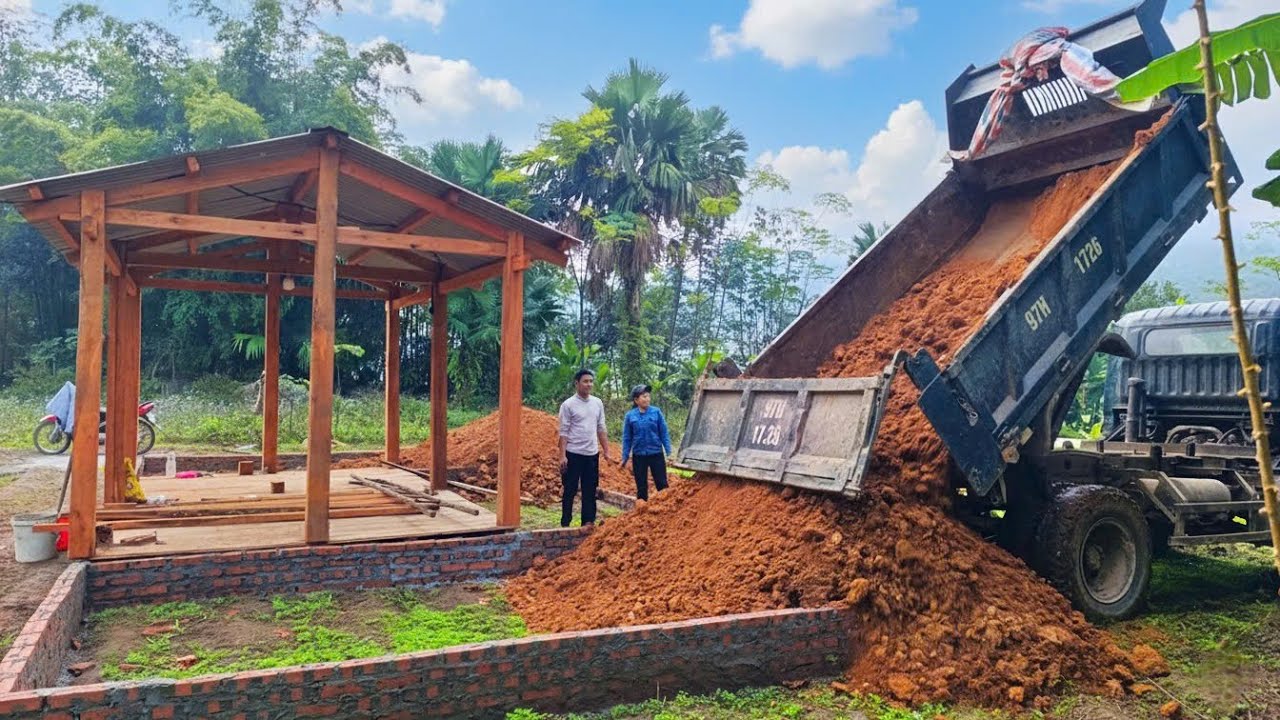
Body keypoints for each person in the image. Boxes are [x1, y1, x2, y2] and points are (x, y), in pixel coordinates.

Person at [558, 369, 610, 527]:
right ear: (577, 383)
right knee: (570, 490)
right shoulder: (568, 405)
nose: (589, 384)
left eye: (591, 381)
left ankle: (588, 522)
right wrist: (562, 456)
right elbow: (563, 432)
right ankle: (565, 522)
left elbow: (601, 428)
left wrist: (606, 451)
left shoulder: (597, 403)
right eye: (585, 381)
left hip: (591, 454)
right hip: (573, 454)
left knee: (590, 489)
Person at [620, 384, 672, 501]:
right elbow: (627, 438)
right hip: (639, 456)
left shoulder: (656, 412)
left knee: (661, 483)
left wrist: (668, 452)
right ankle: (642, 510)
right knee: (641, 485)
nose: (647, 399)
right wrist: (625, 457)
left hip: (656, 454)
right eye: (644, 396)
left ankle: (665, 508)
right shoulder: (630, 416)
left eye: (648, 396)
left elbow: (664, 433)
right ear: (636, 400)